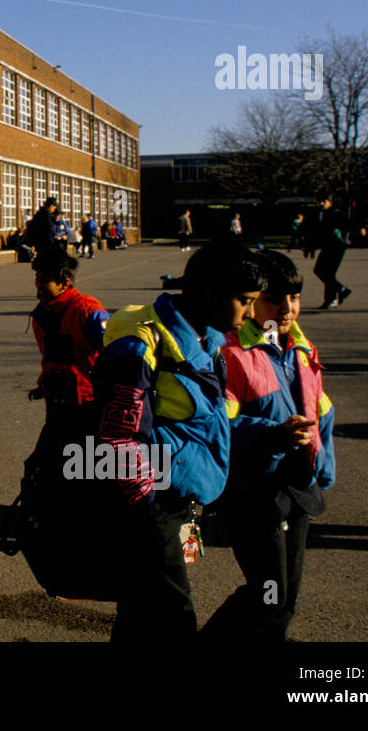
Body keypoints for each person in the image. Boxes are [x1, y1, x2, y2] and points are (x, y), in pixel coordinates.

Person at [79, 240, 266, 643]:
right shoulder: (139, 346)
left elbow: (209, 418)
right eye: (245, 301)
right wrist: (145, 511)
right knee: (173, 620)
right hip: (149, 506)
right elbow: (117, 437)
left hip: (174, 501)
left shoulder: (205, 339)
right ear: (210, 295)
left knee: (140, 615)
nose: (251, 313)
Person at [204, 251, 335, 640]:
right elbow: (218, 423)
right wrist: (272, 433)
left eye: (294, 297)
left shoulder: (302, 347)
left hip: (299, 486)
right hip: (253, 489)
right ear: (253, 300)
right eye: (276, 299)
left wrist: (323, 471)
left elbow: (323, 413)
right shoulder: (232, 351)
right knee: (268, 595)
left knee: (286, 600)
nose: (289, 308)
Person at [25, 247, 110, 489]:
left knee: (82, 469)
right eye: (36, 279)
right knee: (43, 467)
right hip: (58, 400)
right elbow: (52, 359)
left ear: (65, 282)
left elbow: (113, 353)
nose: (38, 286)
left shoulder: (87, 310)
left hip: (88, 405)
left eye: (44, 280)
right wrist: (44, 384)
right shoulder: (42, 314)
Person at [311, 195, 351, 308]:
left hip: (337, 246)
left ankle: (331, 299)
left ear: (330, 202)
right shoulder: (318, 213)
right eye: (318, 201)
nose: (320, 204)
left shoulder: (336, 213)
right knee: (319, 270)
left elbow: (348, 224)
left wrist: (359, 229)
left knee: (328, 273)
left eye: (323, 201)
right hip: (327, 246)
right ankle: (341, 291)